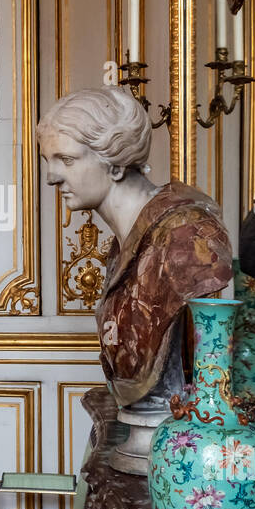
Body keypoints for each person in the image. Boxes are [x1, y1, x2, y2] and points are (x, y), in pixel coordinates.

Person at [38, 85, 232, 407]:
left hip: (169, 434)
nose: (51, 177)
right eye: (49, 160)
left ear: (115, 163)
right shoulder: (128, 239)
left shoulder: (184, 237)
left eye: (66, 160)